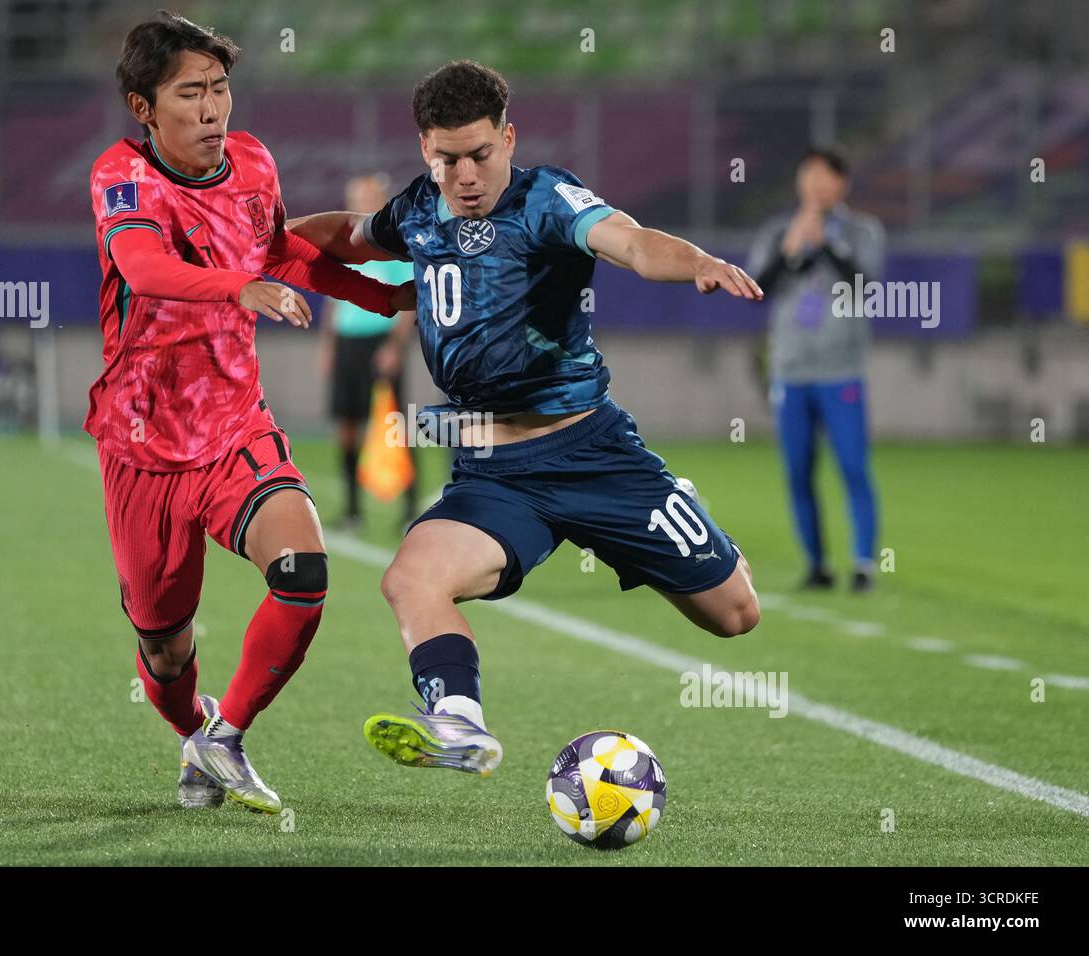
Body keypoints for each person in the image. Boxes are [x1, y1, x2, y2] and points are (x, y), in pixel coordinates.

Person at [290, 60, 761, 775]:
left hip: (592, 453)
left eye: (480, 154)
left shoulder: (547, 199)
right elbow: (352, 234)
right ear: (425, 149)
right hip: (493, 469)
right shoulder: (416, 209)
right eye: (447, 159)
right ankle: (458, 723)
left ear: (508, 139)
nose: (465, 175)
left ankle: (678, 507)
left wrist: (695, 260)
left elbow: (633, 241)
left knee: (734, 616)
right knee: (410, 578)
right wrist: (263, 238)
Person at [86, 12, 414, 812]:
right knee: (165, 652)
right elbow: (143, 264)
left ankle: (227, 735)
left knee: (303, 573)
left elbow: (281, 253)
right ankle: (194, 734)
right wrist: (237, 287)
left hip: (235, 425)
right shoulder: (121, 176)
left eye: (220, 88)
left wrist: (386, 297)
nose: (211, 109)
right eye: (189, 93)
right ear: (143, 107)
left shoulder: (254, 163)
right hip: (142, 441)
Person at [746, 145, 885, 593]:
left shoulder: (863, 230)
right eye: (809, 176)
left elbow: (865, 283)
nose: (815, 186)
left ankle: (864, 564)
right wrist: (791, 250)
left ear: (842, 185)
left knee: (853, 466)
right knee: (798, 471)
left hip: (840, 370)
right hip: (790, 371)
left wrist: (824, 242)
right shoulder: (777, 231)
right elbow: (757, 288)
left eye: (825, 177)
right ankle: (817, 565)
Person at [319, 173, 419, 530]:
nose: (359, 202)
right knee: (347, 427)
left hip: (380, 344)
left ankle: (410, 509)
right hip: (348, 345)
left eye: (366, 197)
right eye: (355, 197)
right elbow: (334, 300)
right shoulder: (345, 247)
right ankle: (352, 511)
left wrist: (394, 347)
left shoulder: (395, 243)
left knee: (393, 425)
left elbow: (410, 300)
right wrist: (329, 347)